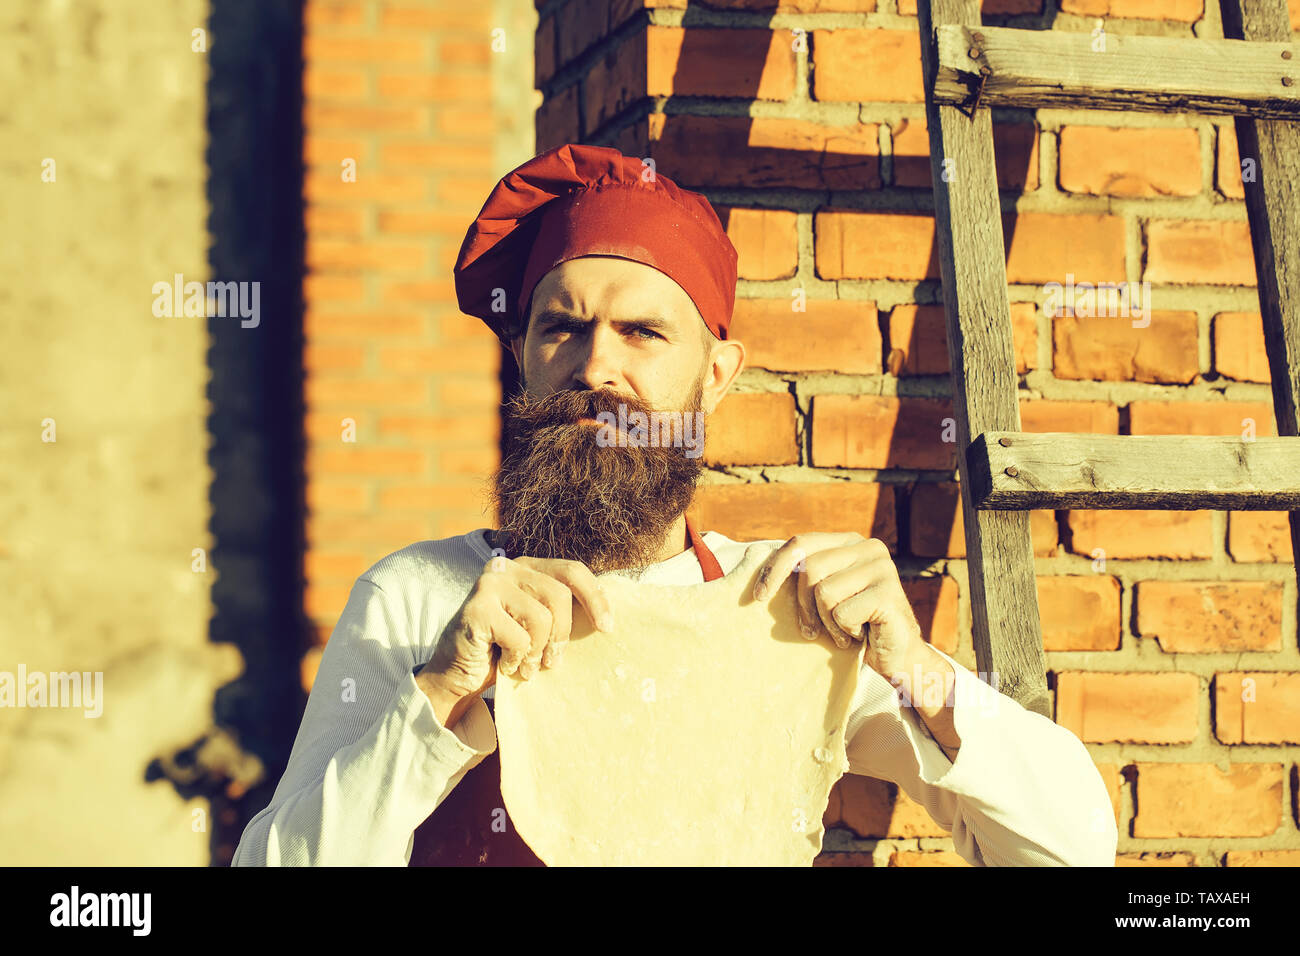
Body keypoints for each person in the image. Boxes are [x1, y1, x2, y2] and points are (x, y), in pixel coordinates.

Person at [231, 143, 1118, 867]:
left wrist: (916, 664)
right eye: (561, 328)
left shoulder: (778, 616)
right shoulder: (425, 598)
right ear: (525, 358)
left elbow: (1070, 851)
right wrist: (439, 692)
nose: (594, 368)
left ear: (715, 377)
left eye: (642, 333)